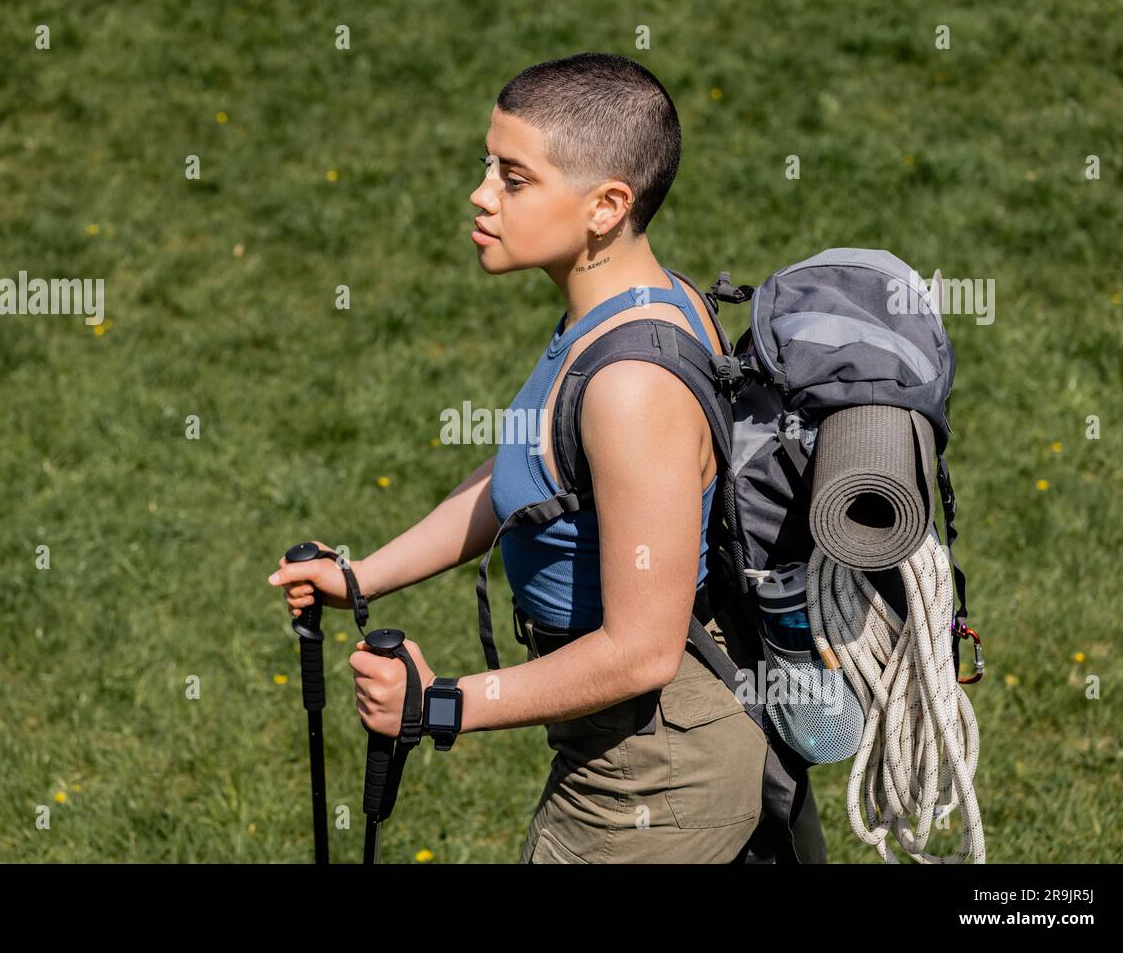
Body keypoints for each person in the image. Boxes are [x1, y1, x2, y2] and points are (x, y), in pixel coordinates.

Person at [270, 52, 809, 863]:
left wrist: (440, 703)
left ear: (606, 206)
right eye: (489, 166)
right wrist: (360, 577)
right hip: (635, 749)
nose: (481, 195)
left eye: (514, 178)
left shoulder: (630, 386)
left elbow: (642, 648)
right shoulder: (618, 310)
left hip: (653, 782)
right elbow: (523, 476)